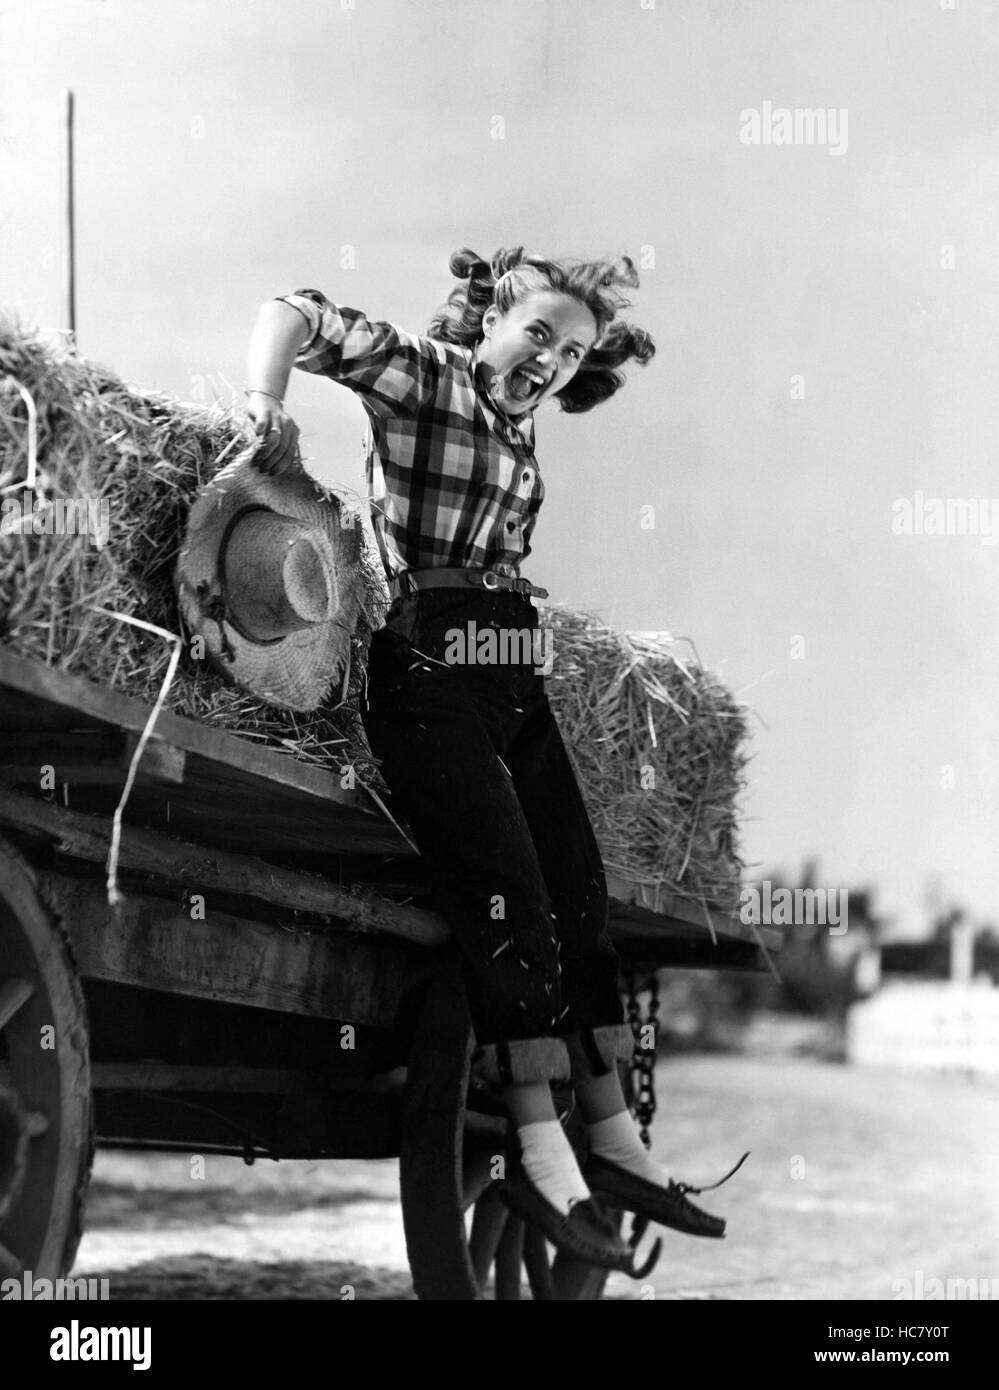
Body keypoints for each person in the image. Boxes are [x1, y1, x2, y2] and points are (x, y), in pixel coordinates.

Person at [244, 247, 732, 1273]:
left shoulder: (522, 435)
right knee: (506, 893)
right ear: (495, 318)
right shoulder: (427, 373)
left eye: (572, 355)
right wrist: (265, 405)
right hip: (428, 662)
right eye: (539, 333)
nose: (549, 361)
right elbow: (294, 309)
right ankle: (544, 1150)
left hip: (514, 668)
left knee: (580, 894)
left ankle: (614, 1138)